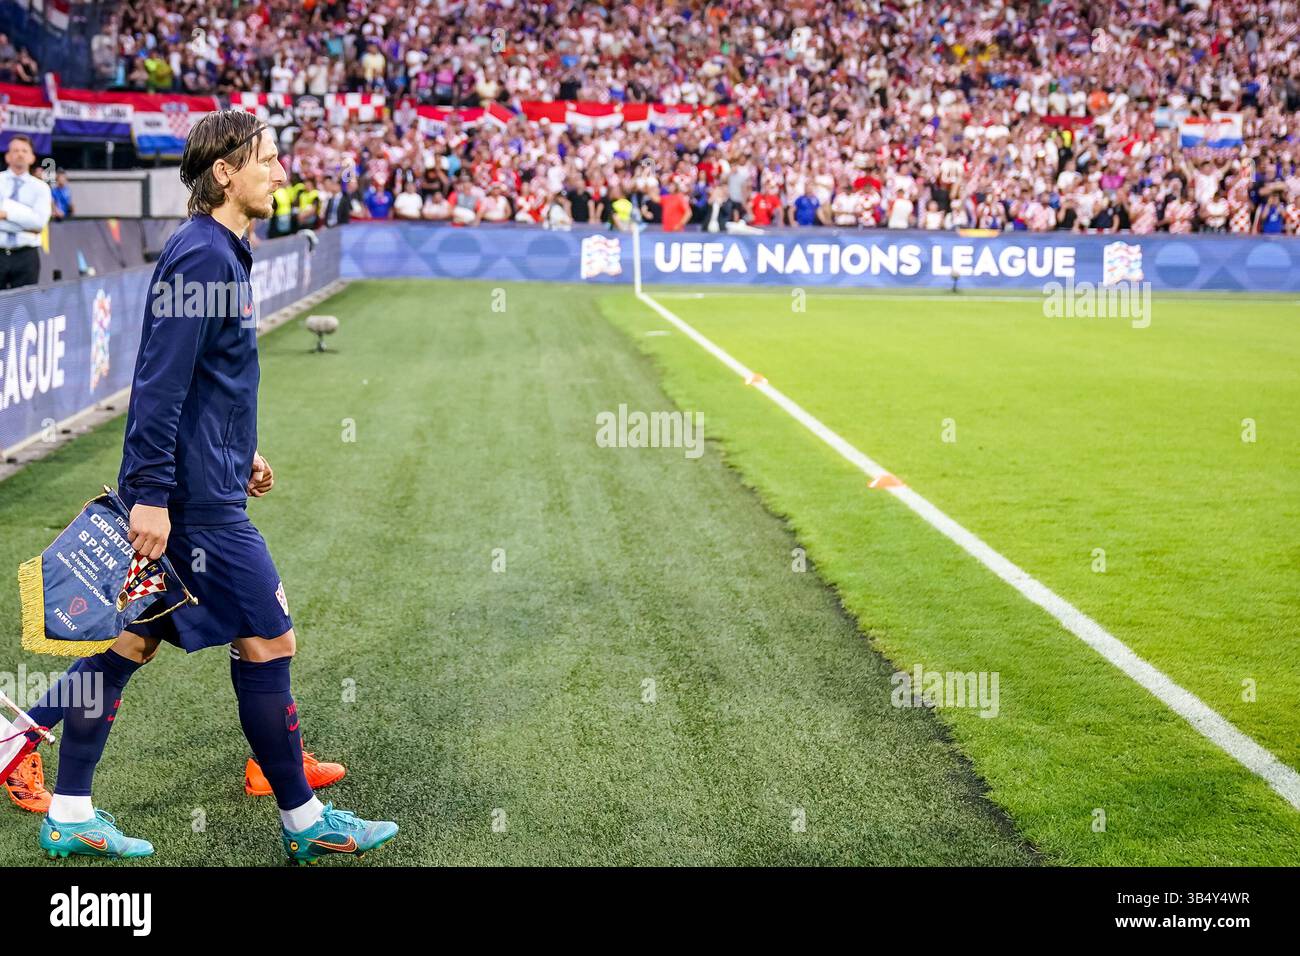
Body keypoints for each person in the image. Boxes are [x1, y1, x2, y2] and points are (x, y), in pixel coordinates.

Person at [0, 111, 397, 864]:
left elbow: (211, 379)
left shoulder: (221, 251)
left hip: (205, 482)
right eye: (269, 161)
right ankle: (303, 818)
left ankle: (52, 781)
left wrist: (240, 449)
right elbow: (158, 383)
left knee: (132, 642)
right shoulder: (203, 257)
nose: (281, 174)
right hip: (190, 504)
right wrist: (150, 494)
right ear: (225, 172)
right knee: (268, 638)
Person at [0, 134, 52, 290]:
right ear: (8, 156)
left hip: (26, 256)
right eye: (15, 150)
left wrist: (7, 214)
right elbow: (32, 224)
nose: (20, 154)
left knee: (24, 309)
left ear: (32, 157)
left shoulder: (41, 188)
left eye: (24, 151)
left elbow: (38, 224)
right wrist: (26, 222)